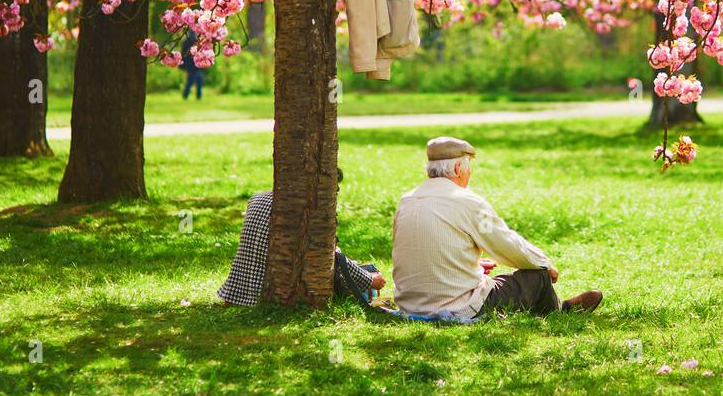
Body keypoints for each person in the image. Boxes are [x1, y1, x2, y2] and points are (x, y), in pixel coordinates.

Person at [392, 136, 602, 319]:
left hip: (409, 305)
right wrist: (543, 264)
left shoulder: (407, 201)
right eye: (468, 167)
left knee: (496, 279)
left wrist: (466, 262)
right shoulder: (467, 202)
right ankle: (558, 310)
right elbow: (504, 243)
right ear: (458, 168)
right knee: (536, 276)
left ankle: (554, 307)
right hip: (458, 307)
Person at [218, 188, 385, 306]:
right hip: (266, 295)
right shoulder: (304, 211)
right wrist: (370, 280)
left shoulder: (257, 198)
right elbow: (331, 254)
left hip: (235, 292)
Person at [180, 30, 204, 100]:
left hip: (189, 64)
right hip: (197, 64)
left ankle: (186, 95)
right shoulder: (197, 40)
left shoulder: (186, 41)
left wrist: (183, 64)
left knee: (190, 80)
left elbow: (183, 54)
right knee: (197, 79)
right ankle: (197, 95)